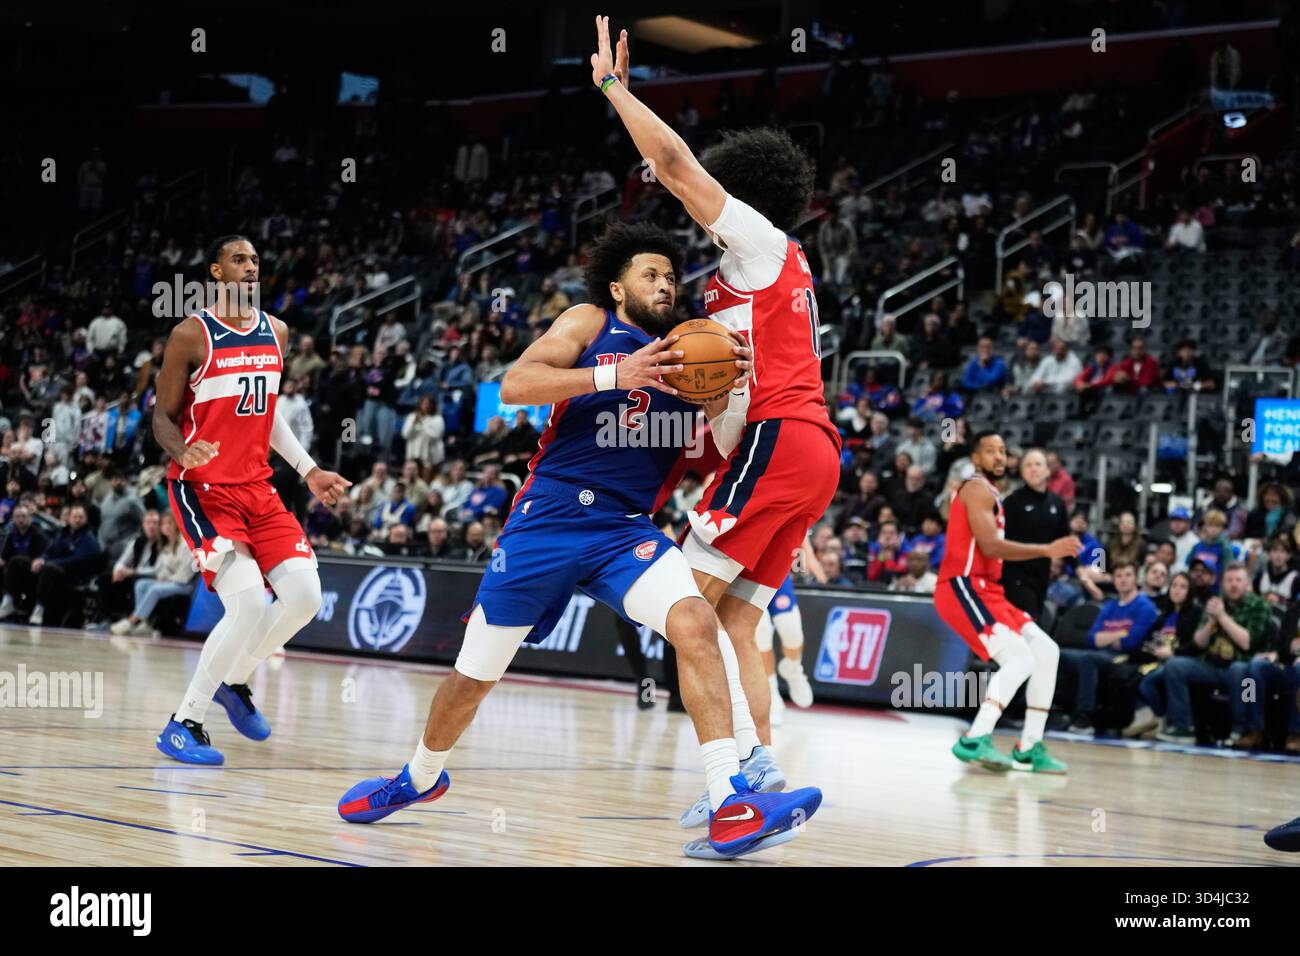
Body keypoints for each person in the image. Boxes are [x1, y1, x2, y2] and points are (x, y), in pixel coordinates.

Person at [337, 219, 819, 860]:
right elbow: (513, 386)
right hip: (547, 520)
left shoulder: (688, 356)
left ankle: (730, 799)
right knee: (474, 676)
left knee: (696, 621)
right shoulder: (591, 323)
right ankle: (418, 778)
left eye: (672, 276)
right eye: (651, 274)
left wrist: (733, 390)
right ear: (618, 287)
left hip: (624, 530)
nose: (665, 284)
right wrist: (612, 376)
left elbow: (708, 449)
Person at [590, 19, 838, 840]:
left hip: (784, 442)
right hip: (806, 452)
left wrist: (614, 89)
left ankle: (736, 783)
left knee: (684, 609)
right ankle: (761, 773)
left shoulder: (762, 244)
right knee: (734, 620)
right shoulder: (756, 279)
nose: (699, 214)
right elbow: (732, 407)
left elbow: (669, 165)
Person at [151, 235, 350, 766]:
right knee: (248, 604)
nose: (249, 267)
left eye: (255, 261)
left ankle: (232, 681)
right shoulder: (190, 335)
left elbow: (266, 412)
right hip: (203, 491)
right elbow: (162, 416)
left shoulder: (277, 332)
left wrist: (308, 471)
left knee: (306, 597)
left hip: (258, 488)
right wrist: (184, 451)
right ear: (216, 272)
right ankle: (183, 722)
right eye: (238, 260)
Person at [933, 430, 1079, 773]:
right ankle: (975, 738)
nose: (998, 457)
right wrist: (1046, 550)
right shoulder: (975, 489)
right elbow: (991, 547)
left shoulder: (995, 495)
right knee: (1020, 660)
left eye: (1002, 451)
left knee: (1047, 651)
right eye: (989, 451)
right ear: (976, 459)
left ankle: (1029, 746)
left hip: (989, 590)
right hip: (962, 586)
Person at [1135, 563, 1271, 744]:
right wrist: (1210, 623)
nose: (1233, 585)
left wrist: (1222, 617)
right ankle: (1183, 727)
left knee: (1239, 671)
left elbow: (1246, 643)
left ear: (1247, 584)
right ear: (1223, 583)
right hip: (1211, 665)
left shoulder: (1258, 605)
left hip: (1244, 666)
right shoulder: (1215, 603)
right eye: (1229, 580)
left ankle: (1241, 729)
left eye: (1238, 580)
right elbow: (1198, 643)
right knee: (1175, 665)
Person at [1058, 562, 1158, 734]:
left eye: (1128, 575)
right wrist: (1120, 633)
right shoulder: (1110, 606)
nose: (1123, 580)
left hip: (1126, 659)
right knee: (1058, 654)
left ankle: (1084, 718)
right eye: (1119, 576)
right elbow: (1091, 639)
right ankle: (1054, 711)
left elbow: (1131, 642)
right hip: (1101, 653)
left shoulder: (1145, 606)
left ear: (1136, 579)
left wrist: (1106, 638)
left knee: (1088, 659)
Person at [1001, 448, 1070, 617]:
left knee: (1033, 622)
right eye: (1028, 465)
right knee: (1027, 624)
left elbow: (1064, 538)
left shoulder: (1057, 503)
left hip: (1042, 576)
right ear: (1022, 472)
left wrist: (1076, 567)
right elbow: (1001, 542)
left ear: (1047, 470)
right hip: (1015, 575)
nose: (1033, 469)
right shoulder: (1012, 502)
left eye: (1038, 464)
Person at [110, 514, 196, 635]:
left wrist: (168, 579)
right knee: (141, 584)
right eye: (163, 524)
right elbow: (160, 569)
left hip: (185, 584)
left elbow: (186, 572)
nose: (166, 527)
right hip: (170, 581)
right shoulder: (166, 545)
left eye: (169, 523)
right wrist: (162, 577)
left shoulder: (186, 543)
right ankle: (145, 623)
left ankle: (132, 620)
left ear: (177, 525)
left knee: (155, 589)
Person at [27, 504, 103, 627]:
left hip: (75, 578)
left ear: (86, 519)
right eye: (75, 517)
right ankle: (12, 603)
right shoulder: (63, 533)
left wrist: (49, 563)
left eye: (81, 517)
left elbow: (77, 561)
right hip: (55, 572)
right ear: (68, 518)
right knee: (22, 562)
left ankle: (40, 607)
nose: (77, 520)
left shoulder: (89, 539)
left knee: (49, 568)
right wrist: (41, 559)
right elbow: (50, 551)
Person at [0, 505, 49, 620]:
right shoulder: (12, 535)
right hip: (15, 572)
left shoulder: (39, 535)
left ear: (30, 518)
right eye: (17, 517)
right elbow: (4, 557)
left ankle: (9, 600)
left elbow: (42, 558)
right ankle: (5, 601)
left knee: (16, 560)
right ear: (13, 519)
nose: (20, 519)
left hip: (34, 574)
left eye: (23, 516)